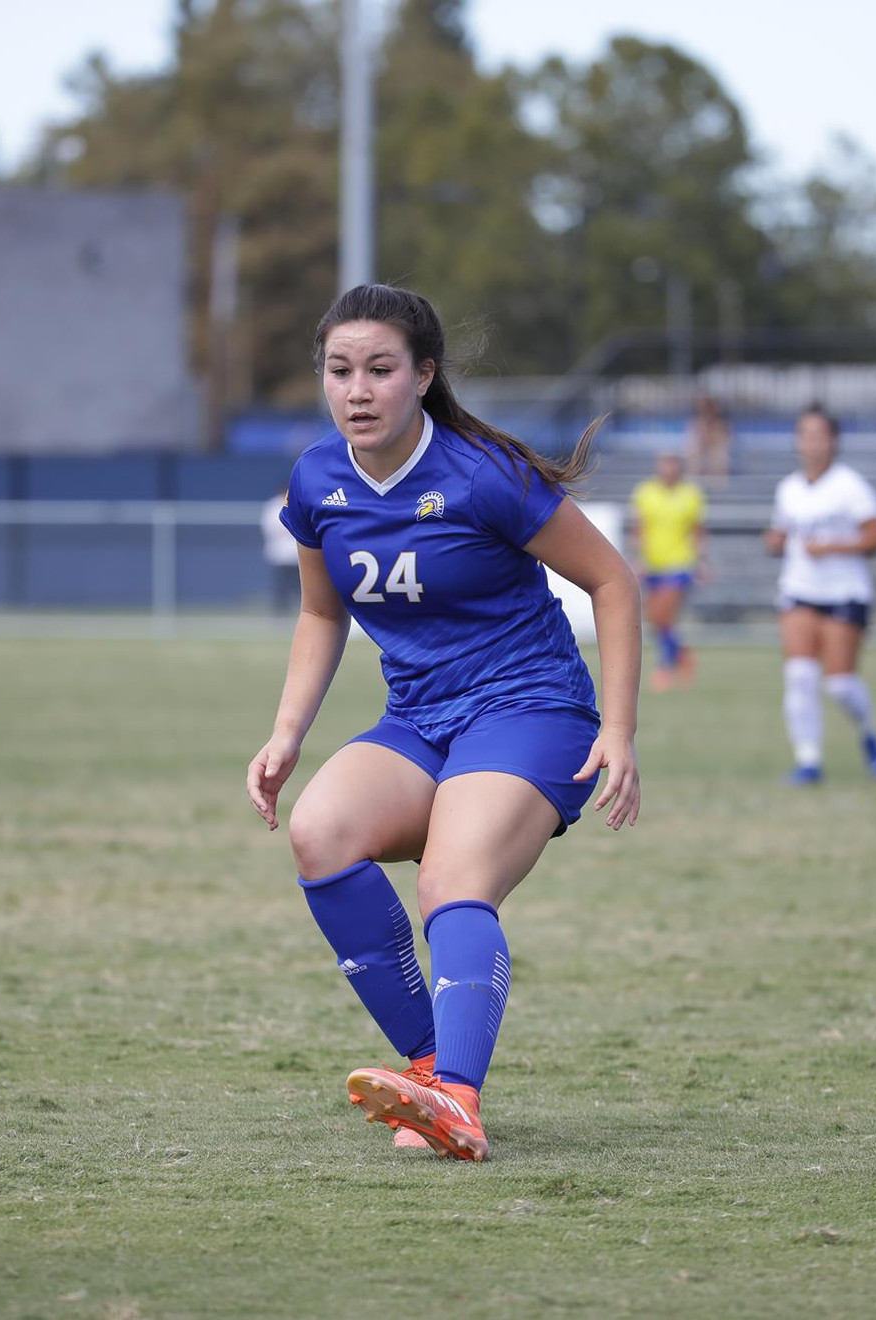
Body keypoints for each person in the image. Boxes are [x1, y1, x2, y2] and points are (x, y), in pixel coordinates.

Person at [245, 284, 640, 1162]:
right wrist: (286, 733)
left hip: (530, 709)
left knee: (451, 883)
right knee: (318, 832)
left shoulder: (482, 476)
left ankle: (457, 1099)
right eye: (340, 370)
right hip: (420, 718)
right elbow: (321, 614)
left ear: (423, 376)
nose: (358, 390)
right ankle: (430, 1069)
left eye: (380, 370)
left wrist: (618, 728)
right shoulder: (318, 479)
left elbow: (612, 582)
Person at [763, 405, 876, 784]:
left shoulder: (849, 485)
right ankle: (809, 760)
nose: (811, 443)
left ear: (833, 441)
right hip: (799, 590)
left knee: (840, 685)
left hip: (844, 593)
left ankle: (868, 731)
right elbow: (782, 534)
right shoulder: (788, 489)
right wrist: (775, 541)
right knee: (799, 674)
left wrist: (834, 546)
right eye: (805, 435)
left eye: (819, 435)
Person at [630, 451, 708, 691]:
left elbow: (697, 531)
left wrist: (701, 561)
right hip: (653, 564)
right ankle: (683, 655)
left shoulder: (691, 494)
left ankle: (664, 667)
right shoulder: (645, 492)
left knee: (663, 615)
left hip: (680, 563)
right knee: (657, 619)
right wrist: (638, 559)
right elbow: (639, 529)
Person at [261, 487, 302, 614]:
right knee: (281, 586)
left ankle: (303, 611)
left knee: (301, 585)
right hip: (280, 554)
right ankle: (280, 612)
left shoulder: (298, 502)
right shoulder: (273, 506)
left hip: (297, 554)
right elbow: (271, 527)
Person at [684, 394, 732, 490]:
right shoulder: (695, 423)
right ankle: (694, 486)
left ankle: (718, 486)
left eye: (710, 408)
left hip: (715, 456)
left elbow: (725, 438)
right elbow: (695, 438)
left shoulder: (722, 424)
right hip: (700, 454)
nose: (708, 411)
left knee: (718, 455)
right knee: (694, 454)